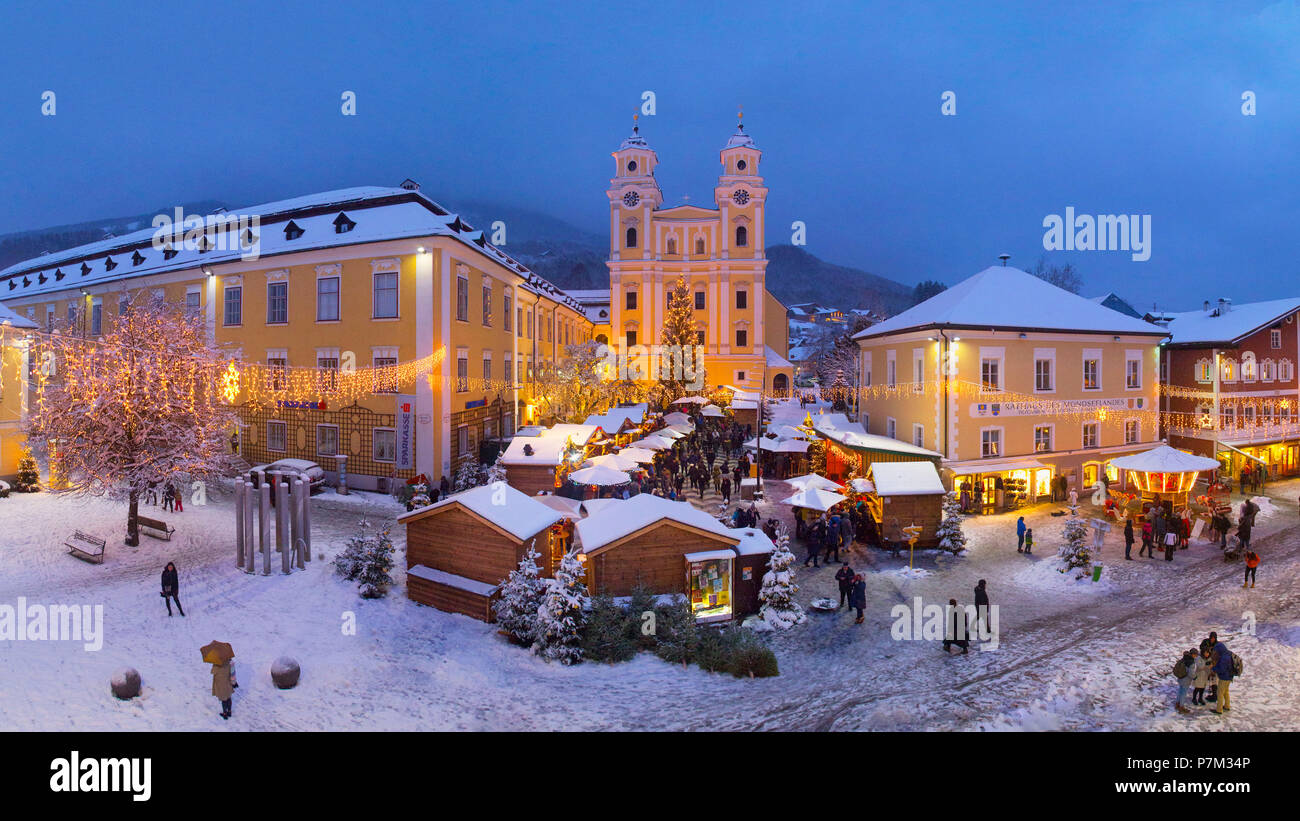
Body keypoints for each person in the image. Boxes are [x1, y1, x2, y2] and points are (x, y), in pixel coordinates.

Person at [1210, 638, 1235, 714]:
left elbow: (1221, 669)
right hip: (1230, 676)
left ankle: (1219, 709)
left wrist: (1213, 668)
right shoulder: (1229, 653)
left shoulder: (1224, 658)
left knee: (1220, 693)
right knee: (1226, 691)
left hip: (1224, 678)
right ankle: (1227, 706)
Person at [1174, 648, 1197, 714]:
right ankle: (1181, 707)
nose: (1196, 656)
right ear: (1193, 654)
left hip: (1180, 678)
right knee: (1184, 693)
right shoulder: (1191, 662)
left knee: (1180, 691)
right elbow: (1191, 673)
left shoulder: (1184, 658)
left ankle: (1177, 704)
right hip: (1186, 680)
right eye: (1195, 655)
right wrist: (1195, 677)